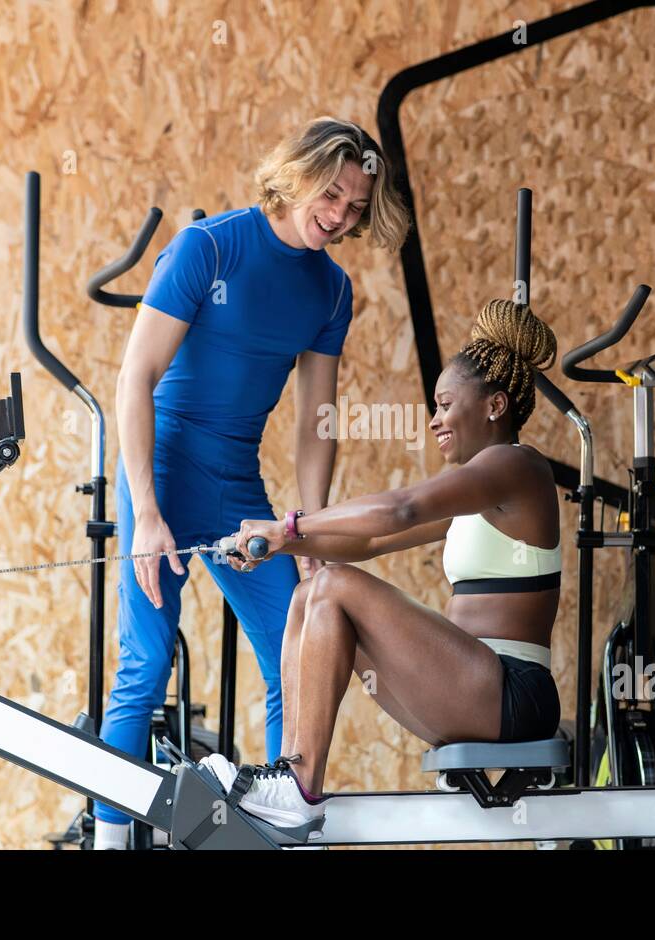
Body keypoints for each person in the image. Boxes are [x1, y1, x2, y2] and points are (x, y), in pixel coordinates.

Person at [94, 117, 409, 849]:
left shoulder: (332, 292)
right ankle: (109, 842)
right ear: (296, 175)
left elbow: (314, 423)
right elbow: (135, 378)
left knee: (292, 655)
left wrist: (311, 533)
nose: (340, 215)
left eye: (357, 206)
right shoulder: (209, 247)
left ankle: (276, 829)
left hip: (236, 487)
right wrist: (145, 512)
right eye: (331, 194)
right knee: (146, 661)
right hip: (164, 472)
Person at [208, 300, 563, 837]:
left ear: (494, 405)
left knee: (330, 587)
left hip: (513, 692)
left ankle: (299, 789)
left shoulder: (515, 466)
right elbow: (375, 538)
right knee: (310, 593)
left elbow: (401, 509)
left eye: (445, 404)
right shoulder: (484, 491)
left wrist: (290, 526)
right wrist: (279, 546)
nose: (435, 419)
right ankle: (288, 781)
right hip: (474, 688)